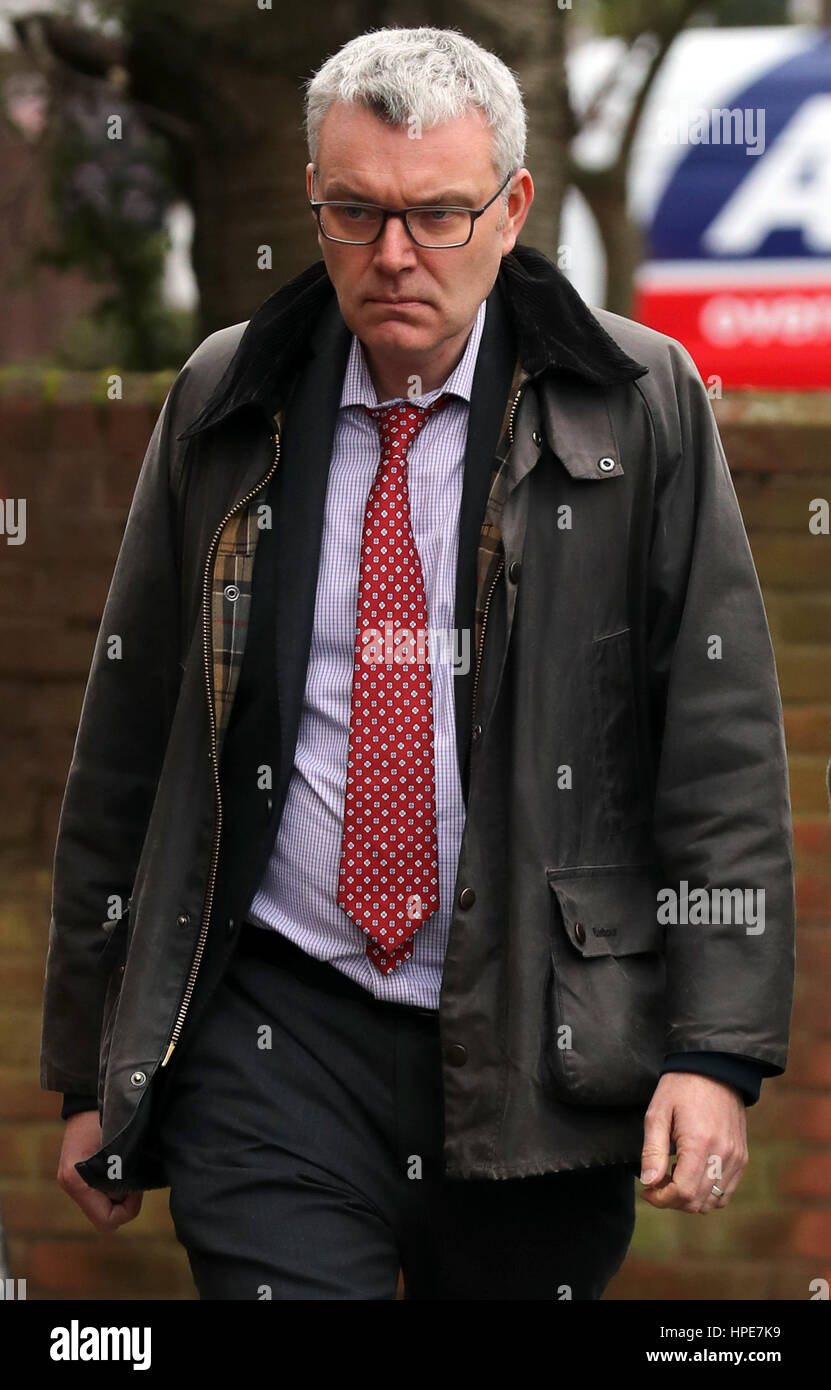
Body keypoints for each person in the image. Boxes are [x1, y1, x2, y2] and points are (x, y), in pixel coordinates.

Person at [43, 26, 795, 1300]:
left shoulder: (636, 402)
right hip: (275, 1031)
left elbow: (717, 749)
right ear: (314, 204)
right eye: (357, 213)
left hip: (538, 1043)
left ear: (511, 210)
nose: (394, 255)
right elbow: (127, 743)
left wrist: (717, 1056)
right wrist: (89, 1071)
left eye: (438, 215)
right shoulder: (229, 399)